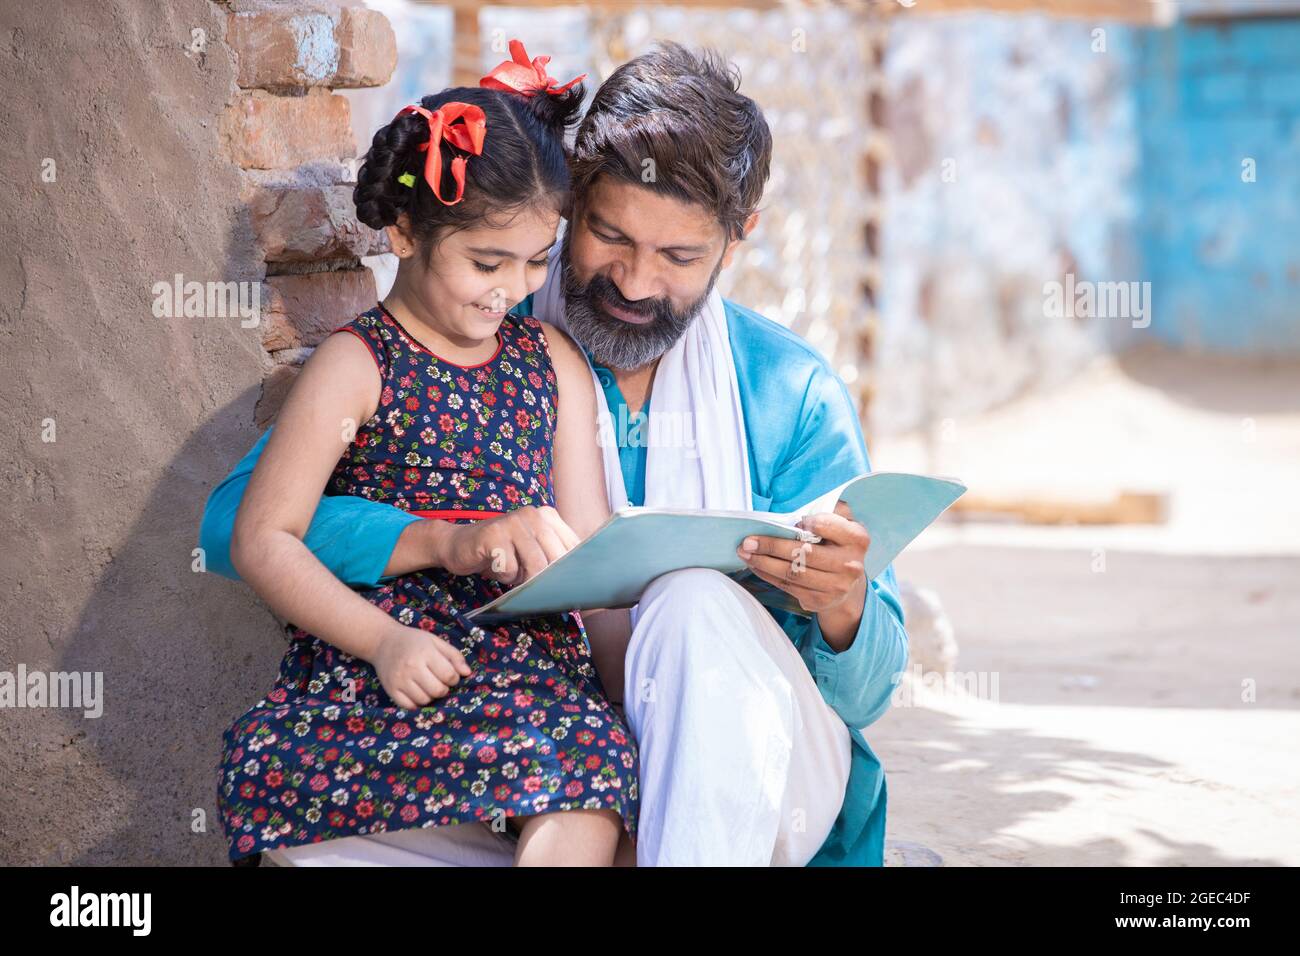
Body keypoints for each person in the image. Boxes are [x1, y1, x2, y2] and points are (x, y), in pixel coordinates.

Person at [205, 41, 909, 867]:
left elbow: (867, 696)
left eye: (680, 257)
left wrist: (842, 606)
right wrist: (443, 539)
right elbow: (234, 528)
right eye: (608, 237)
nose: (637, 282)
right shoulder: (462, 338)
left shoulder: (788, 391)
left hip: (741, 781)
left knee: (690, 604)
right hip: (496, 733)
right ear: (572, 204)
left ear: (737, 236)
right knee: (323, 839)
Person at [214, 42, 639, 867]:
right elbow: (262, 538)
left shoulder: (551, 363)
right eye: (485, 261)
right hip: (384, 668)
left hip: (528, 683)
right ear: (406, 230)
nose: (508, 289)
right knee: (291, 768)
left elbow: (594, 561)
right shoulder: (356, 365)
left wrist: (626, 703)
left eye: (533, 264)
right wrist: (381, 643)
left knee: (590, 769)